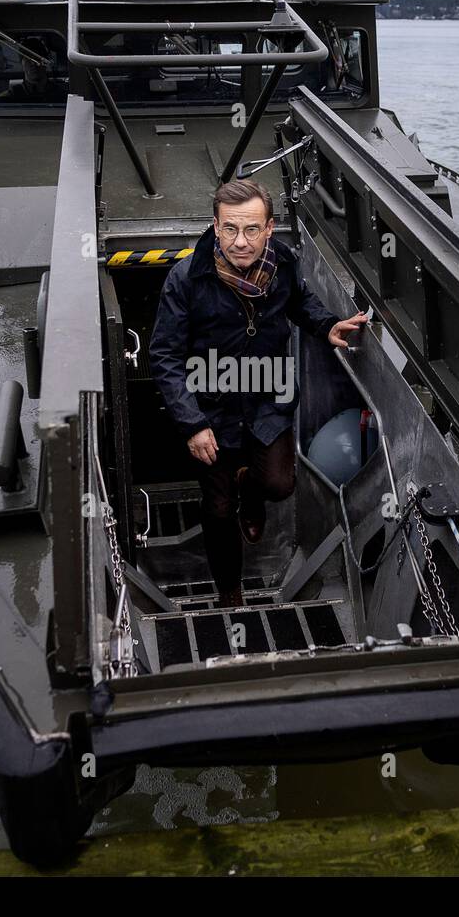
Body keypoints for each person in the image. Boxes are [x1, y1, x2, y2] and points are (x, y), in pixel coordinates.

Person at [148, 179, 368, 610]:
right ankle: (229, 593)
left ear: (269, 229)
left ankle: (252, 490)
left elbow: (300, 303)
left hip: (268, 400)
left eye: (251, 229)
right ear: (215, 226)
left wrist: (326, 325)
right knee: (216, 510)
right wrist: (193, 424)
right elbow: (164, 357)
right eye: (229, 229)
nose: (240, 242)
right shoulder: (185, 279)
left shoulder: (283, 265)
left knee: (279, 484)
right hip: (211, 411)